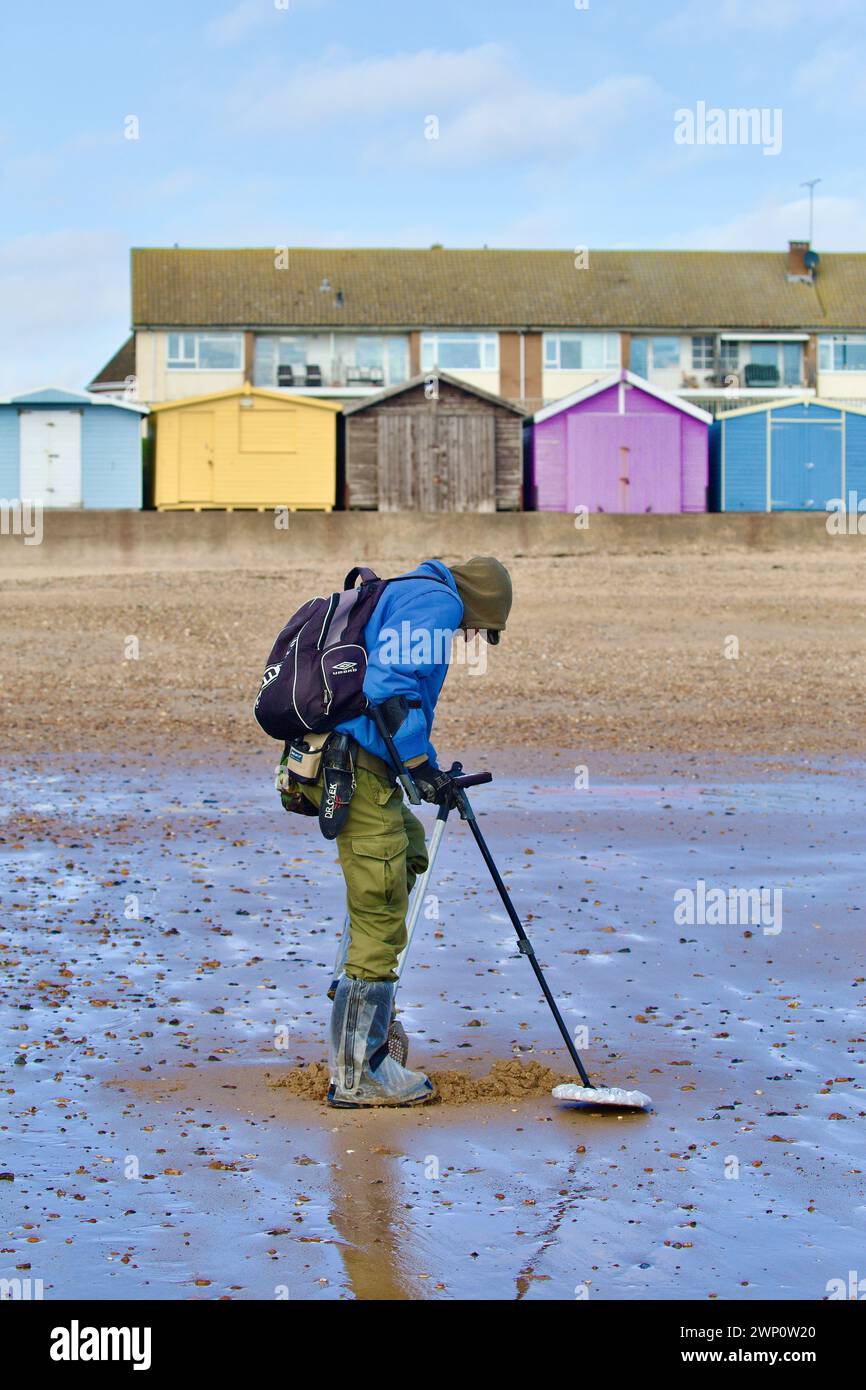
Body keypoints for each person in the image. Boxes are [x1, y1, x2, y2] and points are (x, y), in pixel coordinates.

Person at [297, 555, 513, 1108]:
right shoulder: (439, 603)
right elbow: (389, 684)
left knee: (409, 853)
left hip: (357, 760)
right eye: (478, 630)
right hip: (358, 768)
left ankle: (351, 981)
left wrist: (427, 771)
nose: (468, 637)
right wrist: (419, 765)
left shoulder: (407, 591)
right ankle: (359, 1073)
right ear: (478, 605)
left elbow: (397, 698)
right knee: (382, 901)